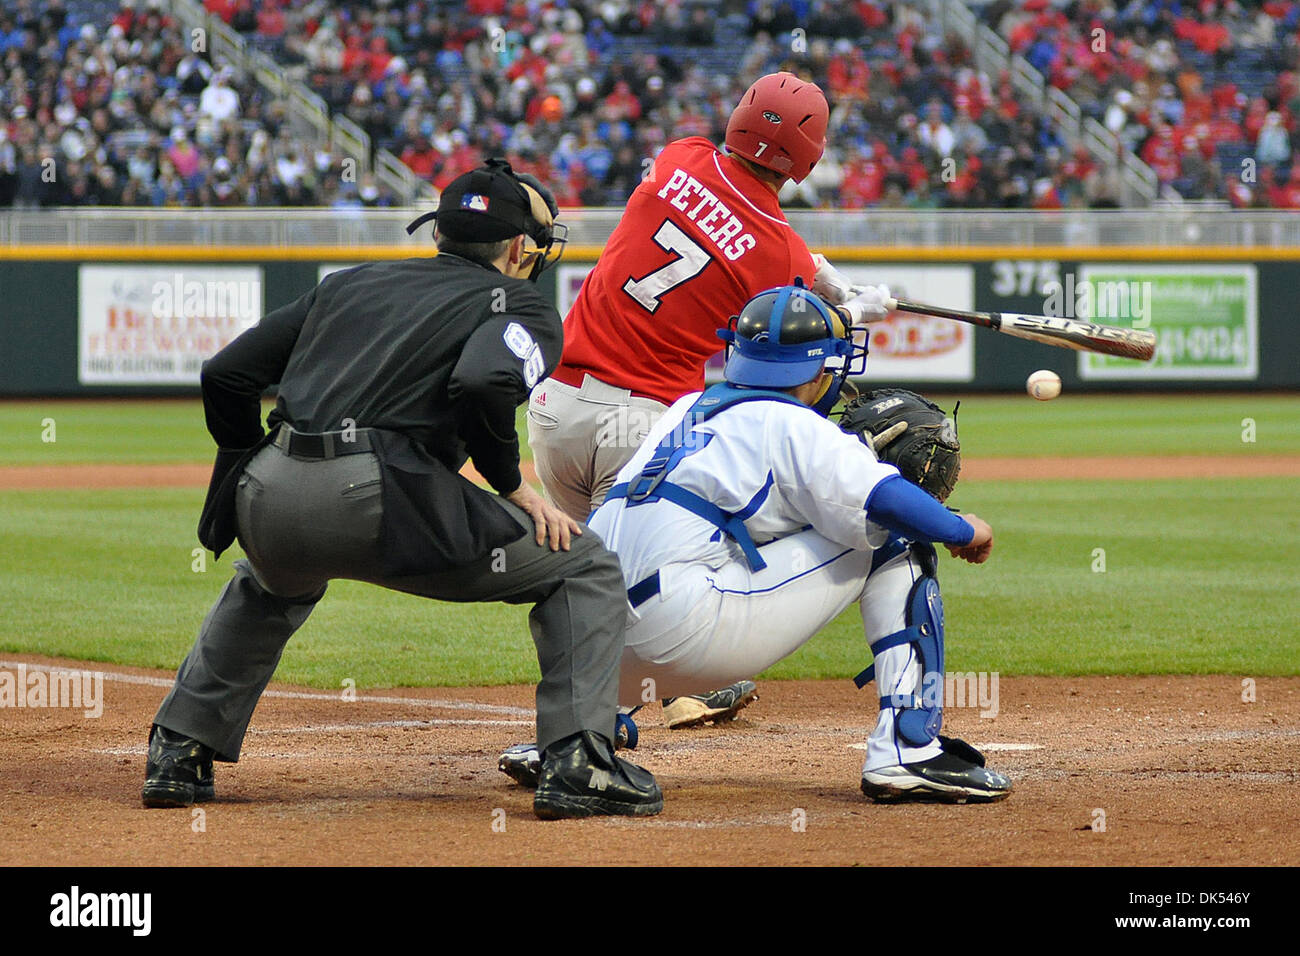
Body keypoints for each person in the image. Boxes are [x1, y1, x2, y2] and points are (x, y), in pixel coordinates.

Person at [142, 159, 662, 820]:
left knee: (270, 584)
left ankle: (179, 750)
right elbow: (483, 382)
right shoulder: (522, 302)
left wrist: (245, 468)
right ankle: (579, 761)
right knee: (583, 568)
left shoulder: (350, 282)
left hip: (271, 494)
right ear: (516, 249)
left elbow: (227, 373)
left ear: (441, 233)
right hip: (379, 494)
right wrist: (513, 486)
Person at [502, 283, 1012, 804]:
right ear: (818, 370)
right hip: (681, 633)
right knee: (899, 538)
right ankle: (908, 747)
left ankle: (577, 740)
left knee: (706, 542)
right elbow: (886, 499)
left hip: (591, 649)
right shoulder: (787, 421)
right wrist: (965, 530)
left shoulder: (683, 409)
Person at [528, 71, 892, 729]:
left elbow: (723, 215)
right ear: (808, 159)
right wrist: (851, 303)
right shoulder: (778, 253)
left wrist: (816, 271)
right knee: (715, 541)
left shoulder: (679, 156)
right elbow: (789, 301)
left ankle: (640, 700)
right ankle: (622, 710)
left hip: (555, 410)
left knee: (590, 580)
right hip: (639, 424)